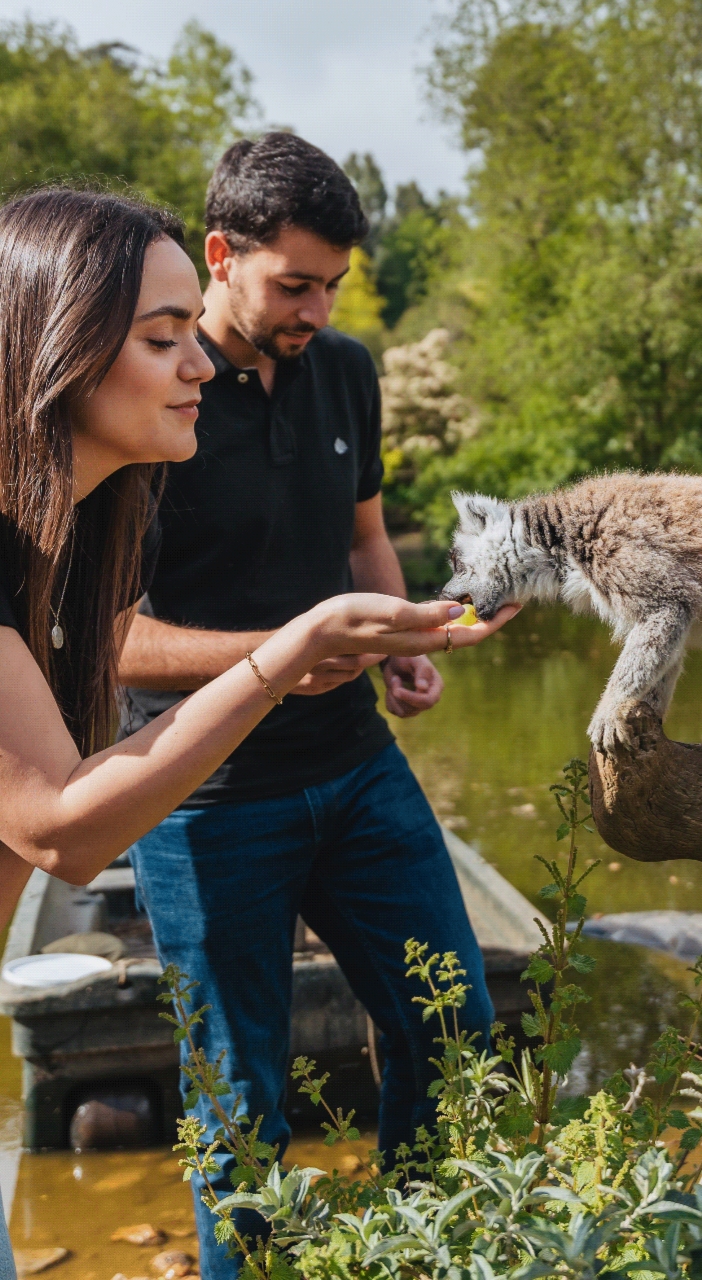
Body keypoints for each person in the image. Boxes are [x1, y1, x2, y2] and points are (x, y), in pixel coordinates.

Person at [0, 183, 515, 1271]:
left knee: (454, 1020)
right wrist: (294, 648)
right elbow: (60, 826)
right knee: (236, 1100)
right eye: (162, 336)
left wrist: (388, 634)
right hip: (210, 803)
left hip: (353, 764)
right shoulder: (70, 513)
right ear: (59, 342)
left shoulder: (82, 522)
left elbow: (365, 536)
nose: (198, 367)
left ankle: (438, 1249)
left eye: (336, 285)